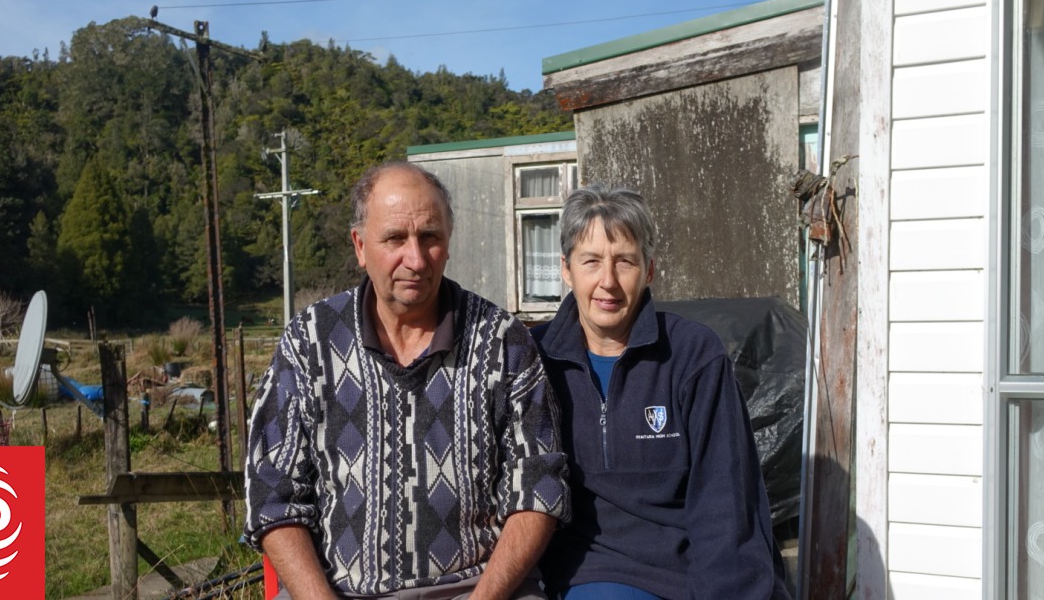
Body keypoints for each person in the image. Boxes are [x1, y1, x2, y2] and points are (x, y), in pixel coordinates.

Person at [244, 161, 571, 599]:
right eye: (395, 238)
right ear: (360, 246)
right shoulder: (309, 341)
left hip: (479, 588)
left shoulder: (503, 341)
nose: (415, 259)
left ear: (449, 243)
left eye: (430, 237)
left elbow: (539, 488)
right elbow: (272, 493)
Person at [532, 185, 790, 600]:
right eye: (591, 261)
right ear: (566, 269)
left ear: (649, 270)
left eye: (625, 262)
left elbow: (726, 500)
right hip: (577, 576)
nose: (608, 282)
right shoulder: (534, 360)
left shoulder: (693, 356)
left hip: (681, 578)